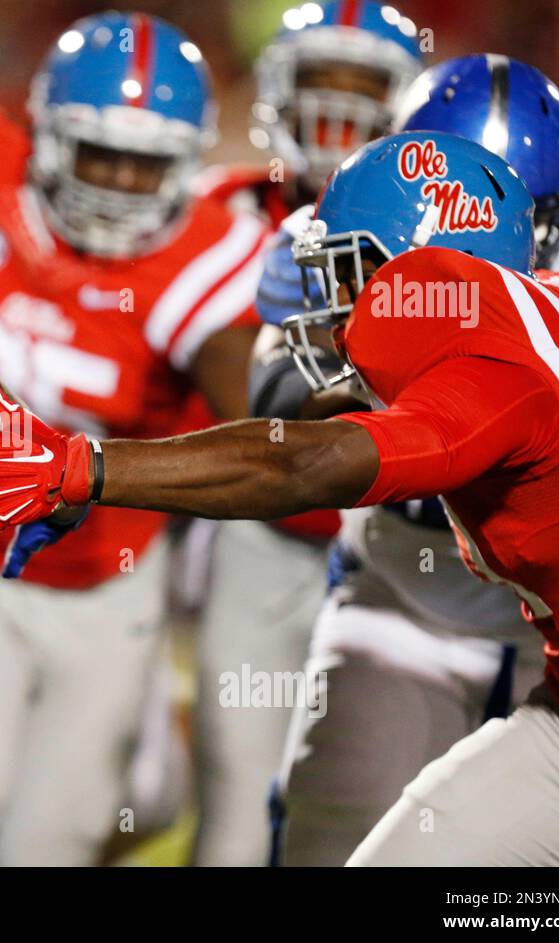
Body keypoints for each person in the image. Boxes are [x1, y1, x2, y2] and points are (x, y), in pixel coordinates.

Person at [0, 130, 559, 865]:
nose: (330, 305)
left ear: (415, 269)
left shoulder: (466, 337)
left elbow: (305, 466)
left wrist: (80, 468)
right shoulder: (537, 315)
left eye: (346, 271)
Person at [0, 8, 270, 866]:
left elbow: (253, 422)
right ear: (48, 131)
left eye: (147, 161)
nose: (122, 181)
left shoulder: (208, 257)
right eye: (100, 153)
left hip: (107, 580)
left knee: (50, 848)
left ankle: (150, 757)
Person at [272, 54, 559, 865]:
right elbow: (278, 412)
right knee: (331, 829)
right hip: (409, 590)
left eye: (537, 213)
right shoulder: (341, 238)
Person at [193, 0, 426, 866]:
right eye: (318, 89)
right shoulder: (217, 215)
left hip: (402, 558)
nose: (335, 117)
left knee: (380, 823)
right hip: (252, 534)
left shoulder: (454, 240)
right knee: (227, 821)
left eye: (361, 94)